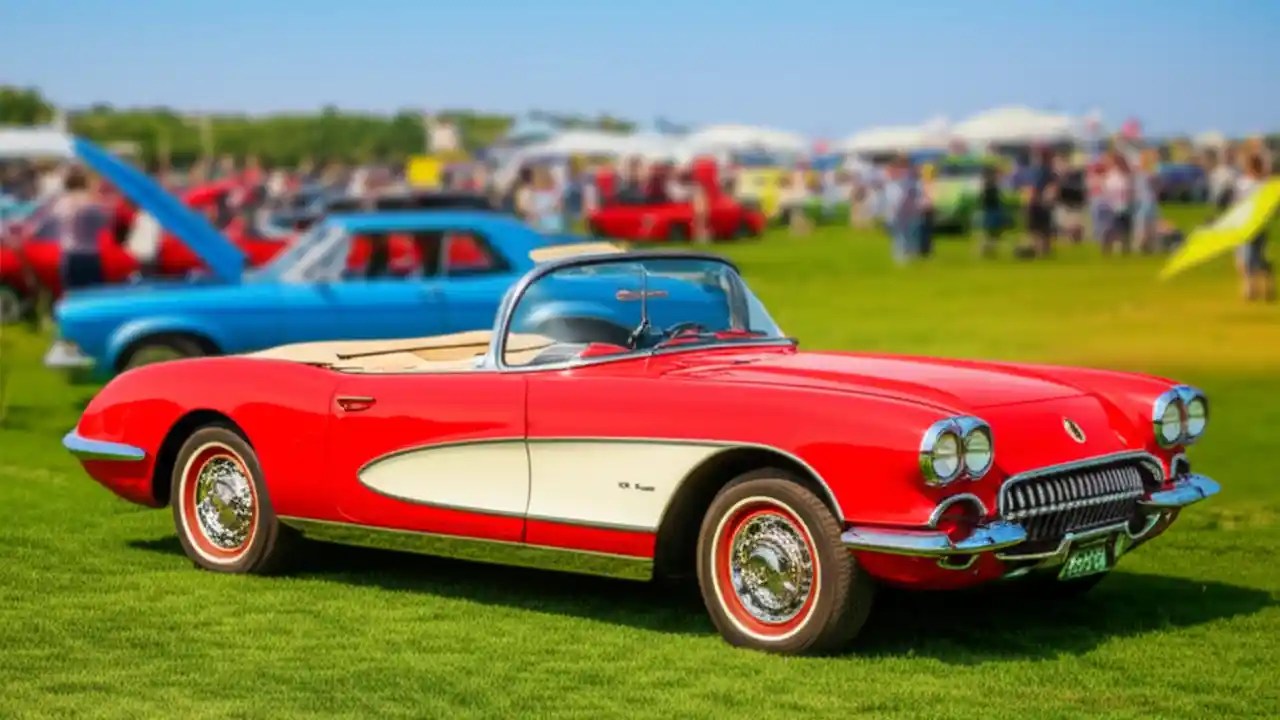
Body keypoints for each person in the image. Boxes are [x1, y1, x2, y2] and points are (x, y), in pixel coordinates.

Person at [50, 166, 109, 292]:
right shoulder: (91, 202)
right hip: (90, 254)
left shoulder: (60, 203)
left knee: (72, 294)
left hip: (69, 255)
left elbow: (53, 226)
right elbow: (104, 223)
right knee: (93, 296)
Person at [1233, 154, 1275, 302]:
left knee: (1245, 259)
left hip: (1247, 225)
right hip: (1260, 224)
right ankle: (1267, 286)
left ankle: (1250, 289)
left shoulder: (1244, 184)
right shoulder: (1265, 184)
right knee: (1259, 257)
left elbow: (1237, 203)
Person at [1021, 147, 1057, 258]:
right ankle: (1042, 250)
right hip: (1042, 202)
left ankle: (1038, 250)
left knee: (1037, 228)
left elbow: (1034, 188)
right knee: (1042, 228)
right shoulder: (1046, 170)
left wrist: (1029, 201)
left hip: (1037, 202)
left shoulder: (1040, 170)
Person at [1101, 151, 1135, 255]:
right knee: (1114, 228)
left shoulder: (1124, 174)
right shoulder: (1113, 175)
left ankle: (1125, 248)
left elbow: (1129, 190)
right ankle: (1109, 248)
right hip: (1114, 206)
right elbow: (1108, 189)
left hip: (1124, 205)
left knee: (1125, 229)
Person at [527, 166, 564, 234]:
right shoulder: (555, 190)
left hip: (539, 222)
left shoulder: (534, 191)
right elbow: (558, 207)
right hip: (552, 222)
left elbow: (532, 210)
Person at [976, 164, 1004, 257]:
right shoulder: (989, 185)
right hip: (991, 209)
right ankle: (986, 249)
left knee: (992, 232)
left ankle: (988, 249)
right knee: (991, 232)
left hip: (992, 209)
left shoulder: (988, 184)